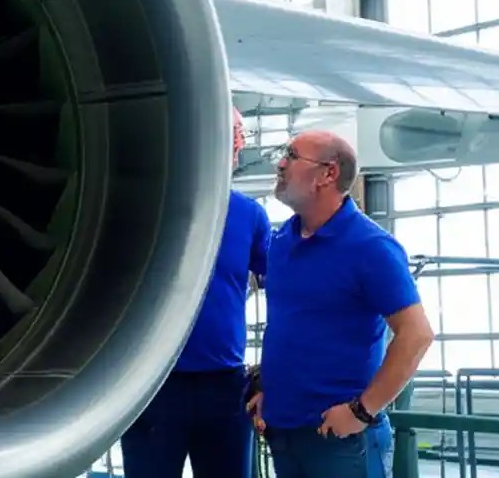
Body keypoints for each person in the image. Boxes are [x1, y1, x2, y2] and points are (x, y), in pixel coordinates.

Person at [247, 130, 434, 478]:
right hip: (283, 432)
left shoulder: (371, 247)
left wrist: (362, 411)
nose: (280, 164)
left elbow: (417, 335)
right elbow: (291, 327)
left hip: (341, 440)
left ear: (328, 173)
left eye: (292, 155)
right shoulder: (282, 242)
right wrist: (266, 386)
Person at [122, 106, 271, 477]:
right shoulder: (145, 208)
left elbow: (288, 295)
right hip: (152, 383)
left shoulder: (249, 215)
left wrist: (273, 372)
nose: (238, 145)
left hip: (225, 386)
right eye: (233, 134)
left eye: (240, 135)